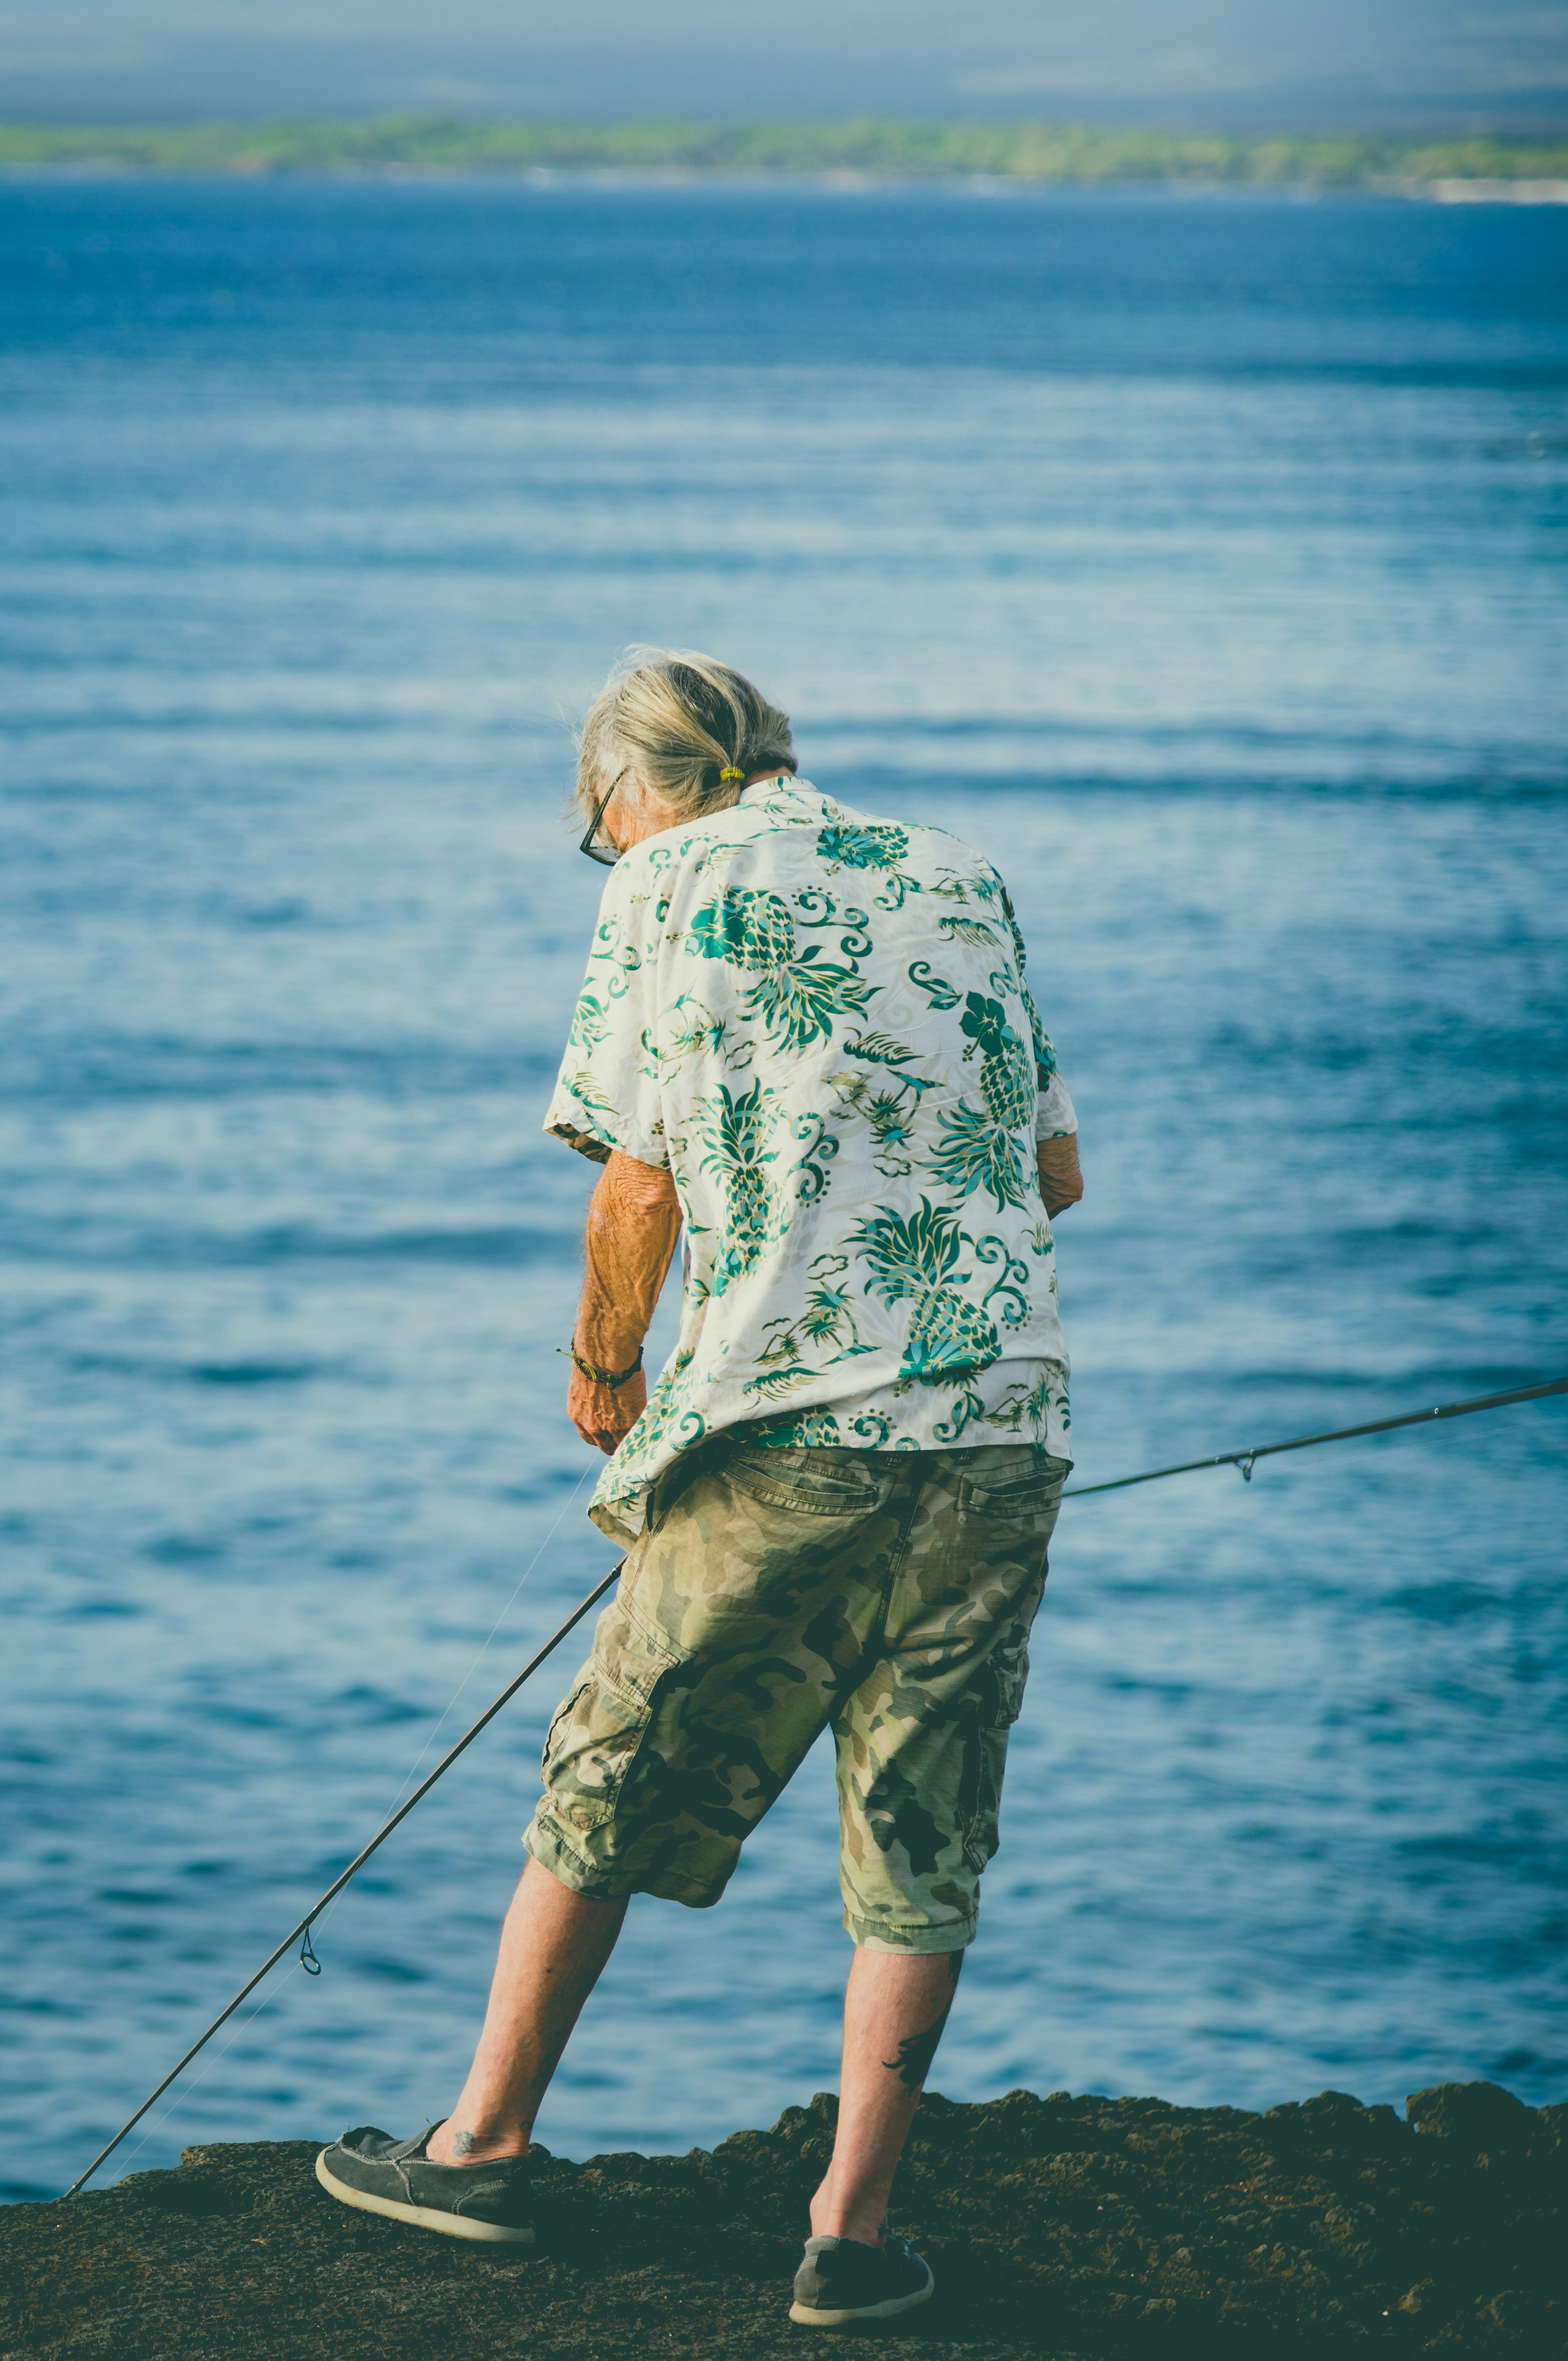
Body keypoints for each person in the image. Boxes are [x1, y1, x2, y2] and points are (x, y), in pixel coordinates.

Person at [312, 650, 1086, 2331]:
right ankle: (852, 2243)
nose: (608, 851)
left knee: (612, 1755)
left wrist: (608, 1371)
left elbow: (637, 1181)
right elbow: (1056, 1171)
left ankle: (483, 2144)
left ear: (637, 788)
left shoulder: (666, 884)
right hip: (1004, 1416)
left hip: (781, 1422)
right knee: (923, 1816)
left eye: (596, 826)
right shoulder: (957, 870)